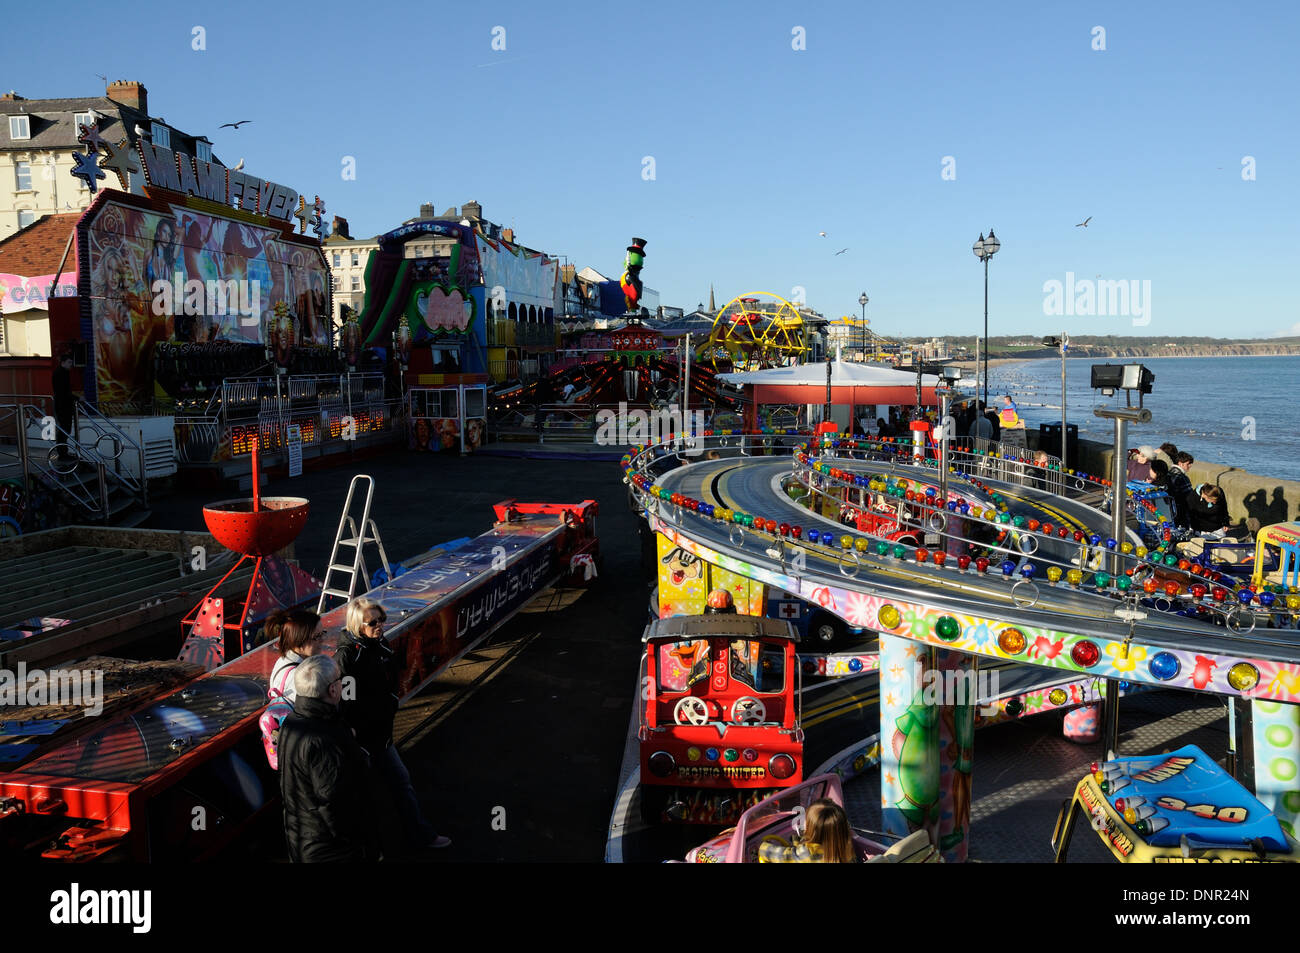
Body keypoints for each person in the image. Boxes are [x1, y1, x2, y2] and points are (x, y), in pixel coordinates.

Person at [337, 597, 450, 852]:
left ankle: (417, 835)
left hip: (381, 735)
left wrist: (389, 701)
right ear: (357, 625)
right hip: (364, 741)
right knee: (382, 790)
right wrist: (356, 735)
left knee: (399, 784)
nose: (380, 626)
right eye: (373, 622)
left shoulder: (378, 644)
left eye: (382, 620)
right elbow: (345, 703)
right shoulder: (348, 657)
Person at [279, 655, 372, 862]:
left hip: (303, 838)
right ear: (332, 690)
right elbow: (334, 801)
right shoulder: (323, 739)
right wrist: (354, 839)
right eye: (340, 679)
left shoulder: (293, 722)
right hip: (330, 848)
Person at [267, 609, 323, 707]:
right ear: (299, 639)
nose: (322, 640)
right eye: (317, 636)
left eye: (323, 633)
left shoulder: (283, 660)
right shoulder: (298, 677)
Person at [1149, 459, 1193, 529]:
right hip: (1178, 515)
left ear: (1156, 471)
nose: (1149, 471)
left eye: (1151, 469)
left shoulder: (1155, 486)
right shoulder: (1171, 480)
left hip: (1162, 516)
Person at [51, 352, 76, 462]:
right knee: (64, 430)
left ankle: (63, 452)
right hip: (63, 406)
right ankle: (62, 453)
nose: (71, 364)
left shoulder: (60, 372)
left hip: (63, 405)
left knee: (64, 430)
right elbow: (63, 392)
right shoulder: (61, 373)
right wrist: (77, 398)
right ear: (63, 363)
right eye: (69, 362)